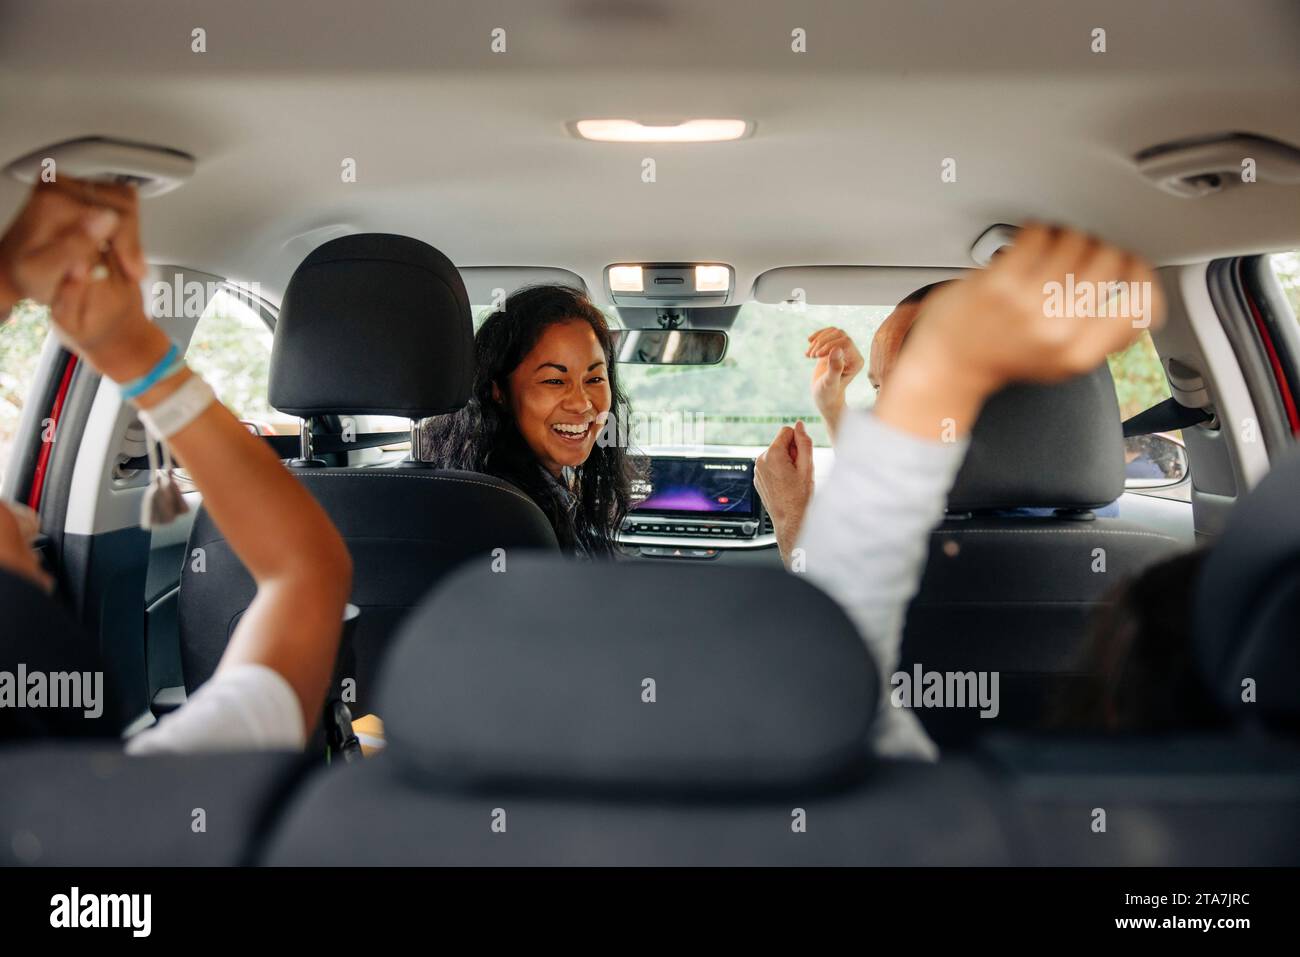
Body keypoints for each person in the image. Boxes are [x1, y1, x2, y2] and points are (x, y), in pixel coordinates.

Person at [754, 224, 1162, 759]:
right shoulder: (1161, 583)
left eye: (896, 389)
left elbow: (830, 686)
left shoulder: (897, 567)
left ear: (981, 397)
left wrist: (791, 519)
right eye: (878, 392)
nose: (885, 410)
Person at [0, 178, 352, 753]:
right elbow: (307, 570)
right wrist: (128, 347)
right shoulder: (156, 792)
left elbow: (304, 571)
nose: (28, 522)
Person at [418, 284, 640, 558]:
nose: (582, 403)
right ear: (499, 390)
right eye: (554, 381)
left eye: (594, 379)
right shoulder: (508, 515)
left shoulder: (530, 490)